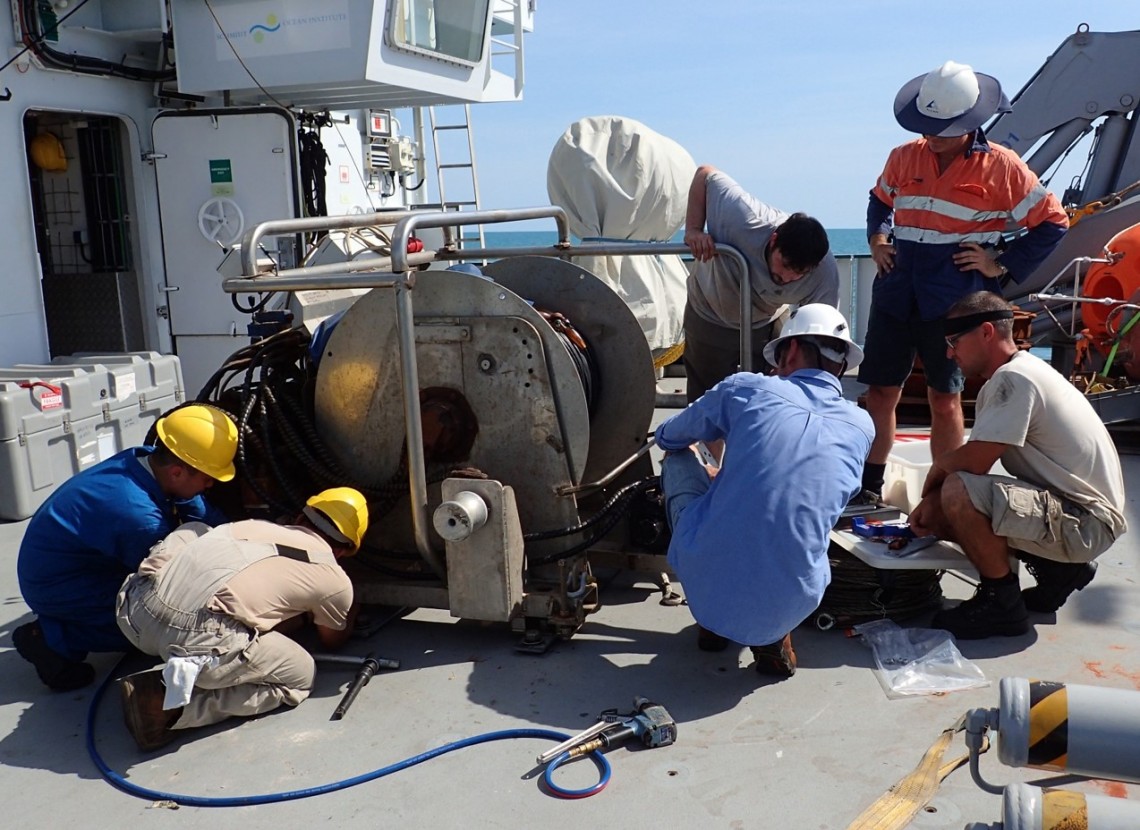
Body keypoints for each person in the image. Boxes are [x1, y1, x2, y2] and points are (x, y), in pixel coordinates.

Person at [859, 61, 1069, 500]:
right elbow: (879, 202)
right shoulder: (903, 156)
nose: (932, 136)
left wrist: (1001, 264)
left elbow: (1052, 222)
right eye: (927, 125)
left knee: (945, 399)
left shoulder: (1004, 168)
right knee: (880, 393)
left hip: (954, 302)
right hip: (896, 292)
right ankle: (868, 488)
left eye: (943, 127)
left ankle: (940, 491)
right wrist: (878, 239)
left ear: (972, 122)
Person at [655, 305, 874, 676]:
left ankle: (711, 622)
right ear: (841, 365)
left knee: (677, 458)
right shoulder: (862, 424)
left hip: (705, 581)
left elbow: (668, 435)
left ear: (788, 352)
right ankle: (773, 635)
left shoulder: (747, 388)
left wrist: (709, 464)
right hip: (796, 598)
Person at [909, 292, 1126, 639]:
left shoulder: (1014, 379)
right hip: (1086, 516)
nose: (950, 352)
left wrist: (936, 475)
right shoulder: (1028, 369)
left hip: (1085, 523)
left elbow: (975, 464)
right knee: (956, 494)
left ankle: (1001, 605)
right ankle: (1059, 571)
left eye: (954, 341)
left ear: (985, 333)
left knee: (958, 491)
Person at [114, 486, 369, 751]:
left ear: (299, 518)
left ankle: (167, 641)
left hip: (134, 614)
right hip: (196, 645)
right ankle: (165, 705)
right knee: (300, 676)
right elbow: (331, 640)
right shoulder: (335, 579)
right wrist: (352, 606)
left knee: (196, 530)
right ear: (344, 551)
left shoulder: (250, 525)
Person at [14, 404, 239, 692]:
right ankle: (50, 637)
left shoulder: (146, 461)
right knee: (155, 629)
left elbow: (197, 507)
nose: (210, 484)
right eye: (207, 477)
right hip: (60, 584)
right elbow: (169, 584)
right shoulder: (137, 515)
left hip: (81, 562)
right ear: (178, 472)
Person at [682, 164, 840, 405]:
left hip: (769, 317)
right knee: (705, 404)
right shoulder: (742, 215)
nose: (787, 278)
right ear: (774, 239)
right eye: (785, 264)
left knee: (771, 397)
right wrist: (693, 230)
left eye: (799, 274)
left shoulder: (824, 272)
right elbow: (705, 174)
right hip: (709, 309)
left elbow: (823, 337)